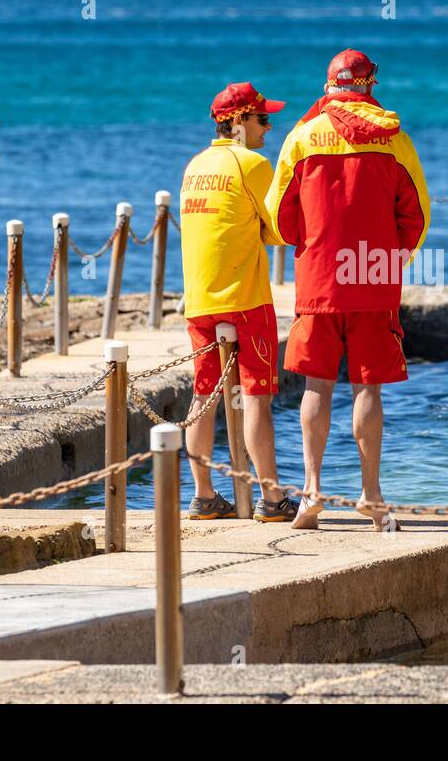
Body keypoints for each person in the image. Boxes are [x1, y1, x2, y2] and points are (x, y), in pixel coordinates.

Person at [265, 49, 430, 531]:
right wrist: (392, 261)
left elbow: (279, 216)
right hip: (373, 277)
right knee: (368, 386)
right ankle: (371, 495)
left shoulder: (301, 136)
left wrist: (311, 243)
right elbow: (416, 216)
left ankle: (312, 493)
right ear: (369, 85)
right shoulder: (394, 138)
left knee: (316, 384)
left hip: (318, 278)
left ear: (330, 85)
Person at [179, 81, 298, 523]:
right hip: (245, 300)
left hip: (199, 300)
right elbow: (283, 230)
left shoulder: (195, 166)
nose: (269, 128)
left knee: (204, 395)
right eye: (262, 119)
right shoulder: (253, 163)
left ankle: (204, 496)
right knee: (256, 398)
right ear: (237, 123)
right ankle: (272, 500)